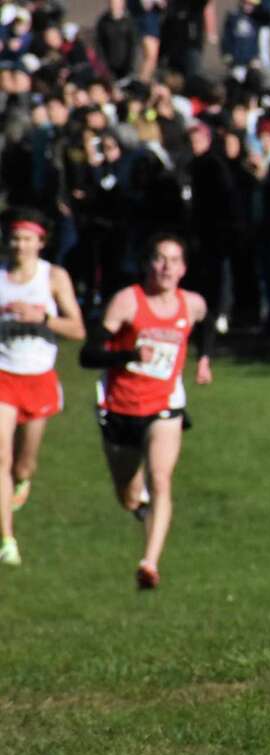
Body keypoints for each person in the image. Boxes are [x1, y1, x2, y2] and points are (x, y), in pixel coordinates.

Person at [79, 233, 213, 590]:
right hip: (119, 408)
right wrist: (129, 356)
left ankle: (150, 562)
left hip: (164, 406)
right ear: (148, 264)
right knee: (127, 494)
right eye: (159, 259)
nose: (166, 267)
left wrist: (204, 359)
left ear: (184, 269)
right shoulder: (127, 302)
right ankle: (138, 505)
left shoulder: (192, 304)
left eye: (174, 260)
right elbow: (87, 356)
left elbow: (206, 323)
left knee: (162, 478)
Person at [0, 215, 86, 568]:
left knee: (23, 465)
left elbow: (78, 329)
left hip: (38, 379)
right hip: (3, 375)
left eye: (27, 239)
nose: (20, 245)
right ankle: (7, 538)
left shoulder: (53, 277)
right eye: (15, 238)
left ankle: (21, 480)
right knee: (0, 460)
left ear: (41, 243)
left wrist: (42, 319)